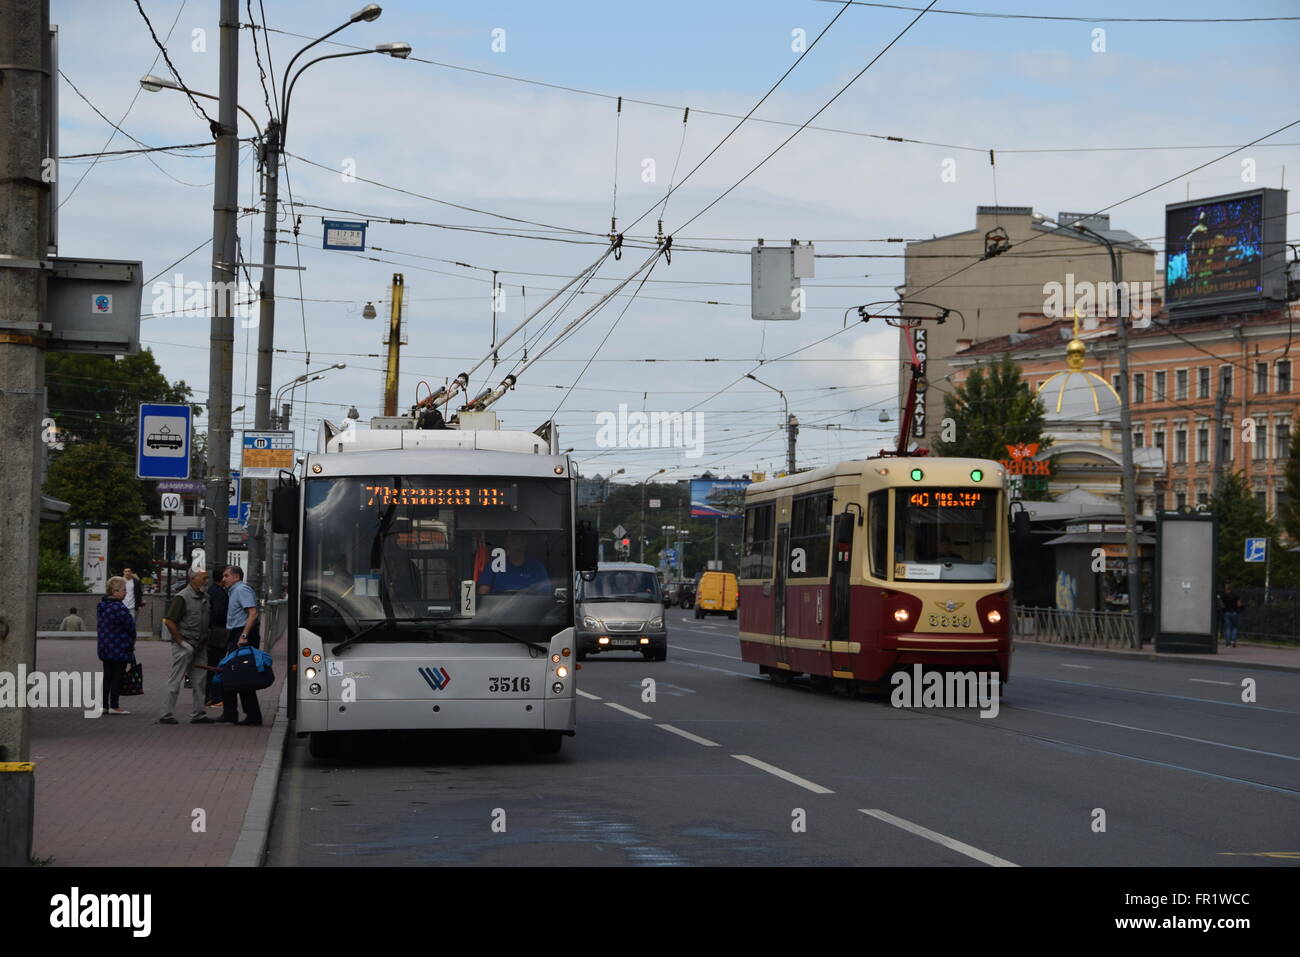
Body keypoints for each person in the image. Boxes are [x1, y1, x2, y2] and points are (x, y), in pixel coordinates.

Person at [159, 569, 211, 725]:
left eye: (207, 578)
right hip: (185, 644)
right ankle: (166, 714)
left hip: (199, 645)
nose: (206, 581)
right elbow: (169, 621)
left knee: (200, 681)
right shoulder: (182, 597)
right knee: (176, 679)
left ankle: (199, 713)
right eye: (203, 578)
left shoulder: (205, 597)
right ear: (193, 578)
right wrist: (182, 643)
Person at [219, 565, 262, 725]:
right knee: (239, 674)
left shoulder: (241, 590)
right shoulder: (234, 591)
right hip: (236, 633)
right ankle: (241, 714)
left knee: (238, 674)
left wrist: (244, 635)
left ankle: (238, 714)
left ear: (236, 577)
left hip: (241, 635)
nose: (223, 579)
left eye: (226, 576)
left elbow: (253, 612)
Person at [96, 576, 136, 715]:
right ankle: (114, 705)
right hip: (120, 648)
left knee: (107, 676)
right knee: (117, 677)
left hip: (105, 648)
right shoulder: (121, 609)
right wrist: (131, 642)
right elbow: (130, 628)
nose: (126, 593)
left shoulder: (102, 606)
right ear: (115, 591)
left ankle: (104, 705)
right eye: (124, 590)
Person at [476, 531, 551, 595]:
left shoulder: (536, 566)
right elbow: (483, 591)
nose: (508, 545)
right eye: (507, 541)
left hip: (529, 609)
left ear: (523, 544)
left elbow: (545, 593)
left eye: (512, 541)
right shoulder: (495, 565)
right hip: (499, 609)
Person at [205, 565, 230, 706]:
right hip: (218, 634)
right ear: (221, 578)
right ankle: (214, 697)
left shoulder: (212, 591)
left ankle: (209, 696)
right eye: (226, 575)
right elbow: (219, 614)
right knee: (216, 665)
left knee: (211, 664)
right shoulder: (220, 593)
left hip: (212, 632)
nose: (227, 578)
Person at [1219, 582, 1244, 648]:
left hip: (1226, 613)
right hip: (1235, 613)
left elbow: (1221, 605)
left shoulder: (1223, 596)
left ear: (1226, 588)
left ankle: (1228, 643)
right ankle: (1233, 641)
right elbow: (1239, 605)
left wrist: (1223, 608)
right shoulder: (1236, 595)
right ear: (1231, 589)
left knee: (1228, 627)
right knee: (1234, 627)